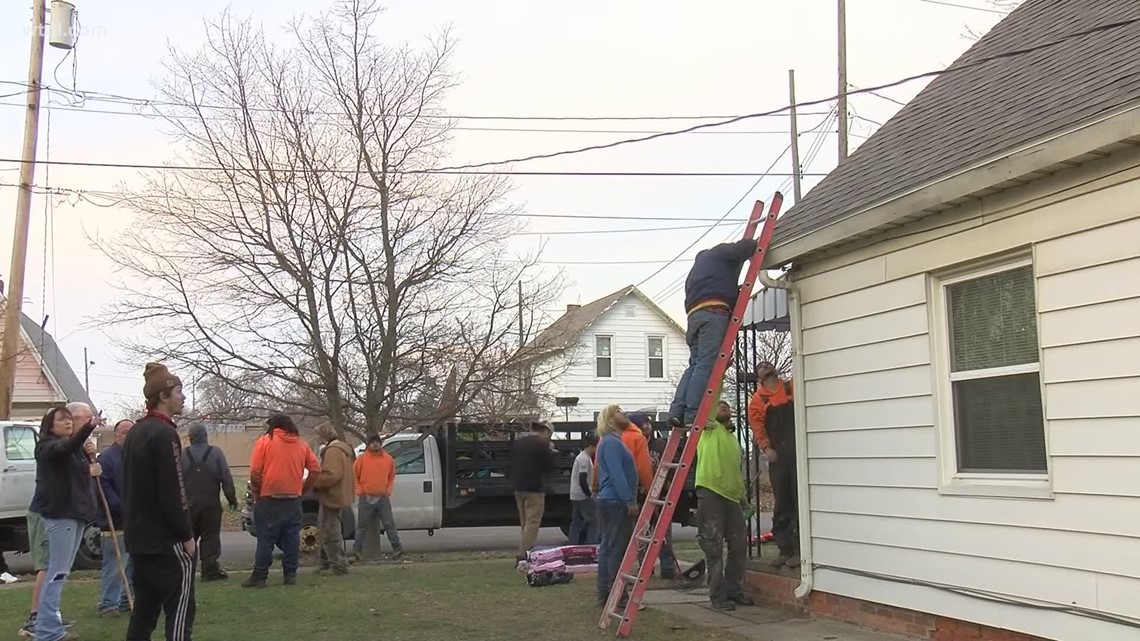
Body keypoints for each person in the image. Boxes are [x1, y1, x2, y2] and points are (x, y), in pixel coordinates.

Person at [122, 362, 197, 641]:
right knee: (180, 610)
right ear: (163, 396)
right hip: (166, 542)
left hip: (139, 539)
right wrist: (186, 535)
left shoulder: (135, 432)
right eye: (178, 391)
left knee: (144, 612)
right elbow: (173, 489)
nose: (183, 397)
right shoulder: (164, 434)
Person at [669, 238, 757, 428]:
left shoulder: (697, 272)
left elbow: (716, 285)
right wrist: (754, 243)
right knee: (705, 365)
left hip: (694, 316)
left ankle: (677, 412)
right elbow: (744, 248)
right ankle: (693, 414)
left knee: (694, 365)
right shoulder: (719, 252)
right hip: (713, 313)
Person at [34, 405, 101, 641]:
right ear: (49, 425)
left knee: (61, 572)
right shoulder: (48, 448)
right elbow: (65, 447)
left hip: (76, 513)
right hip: (60, 514)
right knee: (57, 572)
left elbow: (79, 475)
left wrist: (88, 452)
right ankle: (46, 630)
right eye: (62, 420)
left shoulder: (73, 450)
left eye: (70, 420)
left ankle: (50, 626)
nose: (68, 423)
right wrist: (88, 428)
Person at [243, 413, 320, 588]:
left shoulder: (265, 441)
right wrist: (303, 489)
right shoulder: (301, 444)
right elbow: (315, 469)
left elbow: (255, 471)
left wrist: (257, 492)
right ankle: (290, 575)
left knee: (266, 539)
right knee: (291, 538)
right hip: (293, 500)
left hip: (269, 498)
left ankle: (260, 575)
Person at [696, 397, 754, 611]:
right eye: (719, 405)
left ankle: (733, 590)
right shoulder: (709, 429)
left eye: (726, 406)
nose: (722, 407)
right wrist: (718, 377)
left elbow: (735, 473)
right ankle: (717, 596)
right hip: (710, 492)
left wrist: (743, 500)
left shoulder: (732, 440)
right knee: (713, 547)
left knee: (739, 545)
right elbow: (710, 397)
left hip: (732, 498)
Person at [747, 361, 798, 568]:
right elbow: (758, 428)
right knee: (783, 502)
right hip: (779, 457)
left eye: (768, 364)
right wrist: (767, 449)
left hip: (798, 452)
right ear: (758, 376)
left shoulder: (791, 387)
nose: (765, 366)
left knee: (800, 499)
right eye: (761, 366)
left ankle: (800, 549)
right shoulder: (758, 401)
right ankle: (785, 549)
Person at [594, 405, 639, 608]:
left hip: (611, 501)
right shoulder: (611, 443)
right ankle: (617, 595)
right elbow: (616, 474)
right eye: (619, 411)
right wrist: (629, 500)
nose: (625, 413)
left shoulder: (611, 442)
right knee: (616, 550)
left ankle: (605, 592)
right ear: (611, 419)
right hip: (615, 502)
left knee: (608, 547)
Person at [181, 422, 238, 581]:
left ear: (190, 437)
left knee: (189, 538)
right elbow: (226, 477)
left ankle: (187, 570)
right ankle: (209, 570)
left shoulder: (183, 455)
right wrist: (231, 498)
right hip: (211, 505)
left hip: (189, 506)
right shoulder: (216, 453)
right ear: (205, 436)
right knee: (210, 538)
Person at [629, 413, 679, 580]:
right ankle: (645, 568)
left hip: (660, 495)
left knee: (664, 533)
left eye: (648, 423)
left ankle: (668, 567)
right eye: (642, 424)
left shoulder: (660, 445)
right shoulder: (632, 444)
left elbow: (670, 468)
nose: (646, 427)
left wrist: (668, 486)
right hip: (639, 497)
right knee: (642, 536)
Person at [96, 418, 134, 617]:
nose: (129, 435)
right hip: (115, 520)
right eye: (125, 432)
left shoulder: (136, 456)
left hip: (135, 521)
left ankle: (127, 600)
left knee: (133, 564)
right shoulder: (107, 458)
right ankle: (108, 603)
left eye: (132, 432)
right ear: (116, 434)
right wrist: (122, 507)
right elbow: (104, 486)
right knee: (115, 564)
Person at [312, 423, 355, 574]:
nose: (316, 438)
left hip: (332, 495)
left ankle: (337, 565)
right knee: (325, 528)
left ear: (323, 435)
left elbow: (332, 474)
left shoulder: (333, 451)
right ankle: (326, 562)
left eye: (318, 435)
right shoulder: (341, 449)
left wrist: (315, 483)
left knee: (330, 531)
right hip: (338, 494)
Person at [351, 434, 401, 561]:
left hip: (382, 498)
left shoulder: (388, 459)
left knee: (389, 524)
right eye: (372, 442)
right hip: (366, 497)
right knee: (362, 526)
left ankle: (397, 549)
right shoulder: (361, 459)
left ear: (380, 444)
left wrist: (388, 491)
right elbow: (354, 476)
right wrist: (360, 490)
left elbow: (391, 476)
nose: (375, 444)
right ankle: (356, 551)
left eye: (377, 442)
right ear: (368, 445)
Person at [509, 420, 555, 557]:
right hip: (534, 489)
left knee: (525, 523)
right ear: (546, 431)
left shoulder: (519, 443)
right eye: (550, 434)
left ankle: (526, 551)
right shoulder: (542, 445)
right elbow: (549, 467)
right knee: (532, 524)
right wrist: (550, 451)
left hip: (518, 487)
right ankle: (522, 555)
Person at [568, 432, 598, 545]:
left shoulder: (582, 457)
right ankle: (592, 544)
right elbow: (582, 479)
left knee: (576, 522)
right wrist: (590, 495)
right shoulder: (584, 459)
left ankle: (573, 544)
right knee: (594, 521)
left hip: (575, 495)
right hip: (582, 496)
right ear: (591, 446)